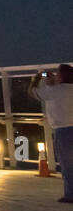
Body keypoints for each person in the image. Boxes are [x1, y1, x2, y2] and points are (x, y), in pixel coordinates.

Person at [31, 65, 73, 202]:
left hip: (63, 130)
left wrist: (40, 77)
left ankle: (70, 194)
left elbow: (33, 92)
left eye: (57, 73)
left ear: (61, 76)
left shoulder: (55, 91)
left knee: (67, 164)